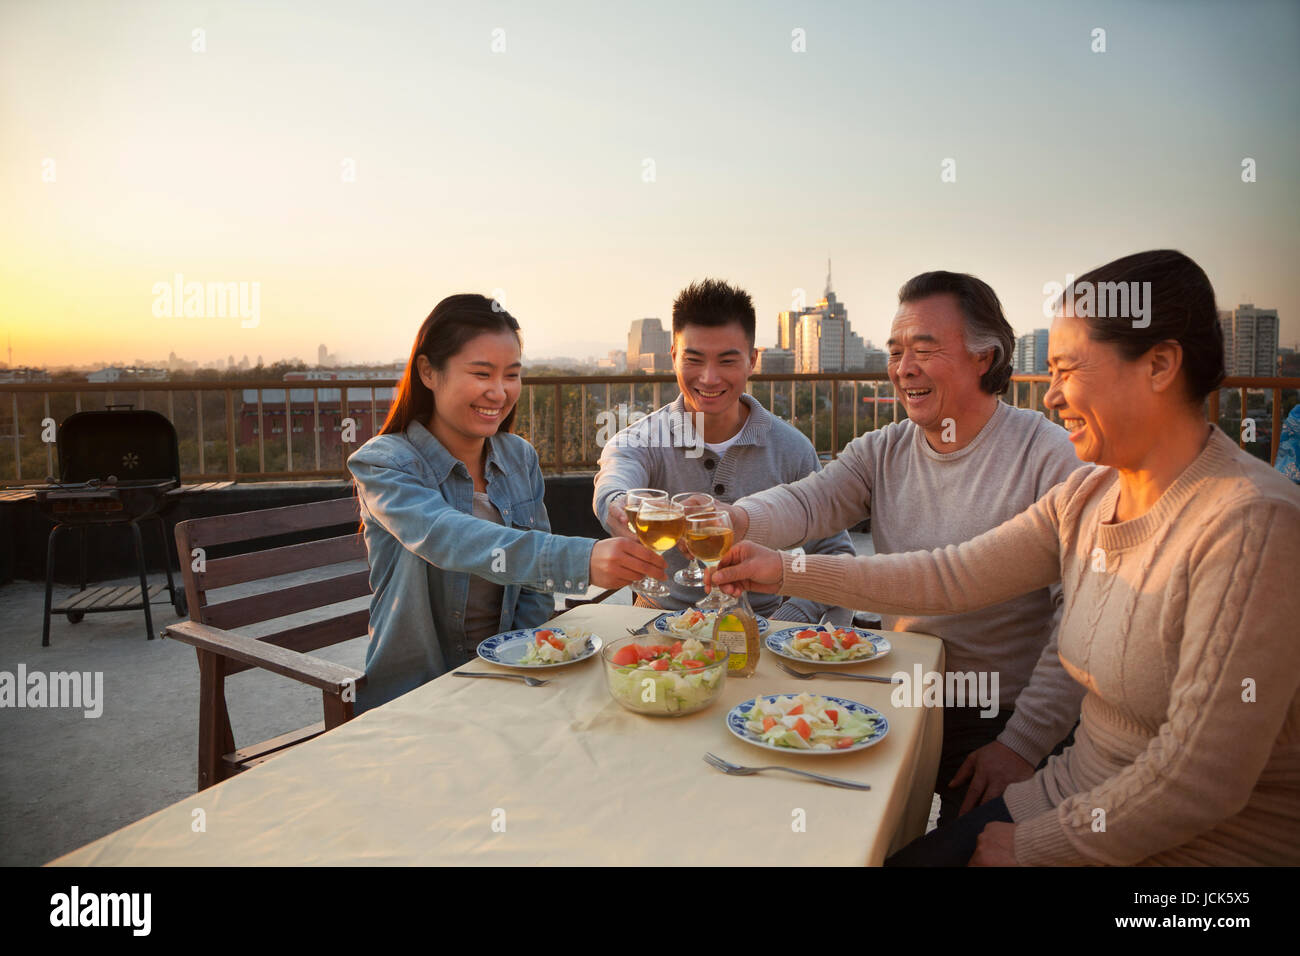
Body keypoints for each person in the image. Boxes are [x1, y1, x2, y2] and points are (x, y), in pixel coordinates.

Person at [709, 250, 1300, 865]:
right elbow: (948, 575)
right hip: (1067, 785)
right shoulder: (1092, 494)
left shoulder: (1250, 524)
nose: (1051, 396)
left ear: (1159, 366)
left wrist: (1034, 838)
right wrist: (776, 561)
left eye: (1069, 370)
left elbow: (1200, 782)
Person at [716, 271, 1087, 827]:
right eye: (895, 351)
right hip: (903, 686)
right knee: (811, 814)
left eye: (924, 349)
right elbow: (809, 502)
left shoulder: (1050, 456)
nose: (903, 368)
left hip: (1001, 711)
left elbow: (1075, 619)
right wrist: (736, 519)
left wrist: (1024, 742)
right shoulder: (883, 448)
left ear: (985, 357)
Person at [348, 294, 665, 712]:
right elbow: (449, 537)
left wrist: (537, 668)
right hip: (420, 697)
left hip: (511, 679)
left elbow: (534, 593)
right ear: (428, 371)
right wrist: (582, 560)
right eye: (482, 373)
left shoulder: (518, 456)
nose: (499, 393)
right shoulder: (383, 462)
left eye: (512, 375)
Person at [593, 278, 854, 625]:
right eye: (694, 359)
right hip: (661, 629)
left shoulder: (792, 449)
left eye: (727, 361)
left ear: (752, 361)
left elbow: (835, 553)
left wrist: (786, 621)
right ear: (673, 357)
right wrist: (616, 505)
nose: (710, 377)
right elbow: (613, 482)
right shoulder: (639, 439)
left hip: (768, 627)